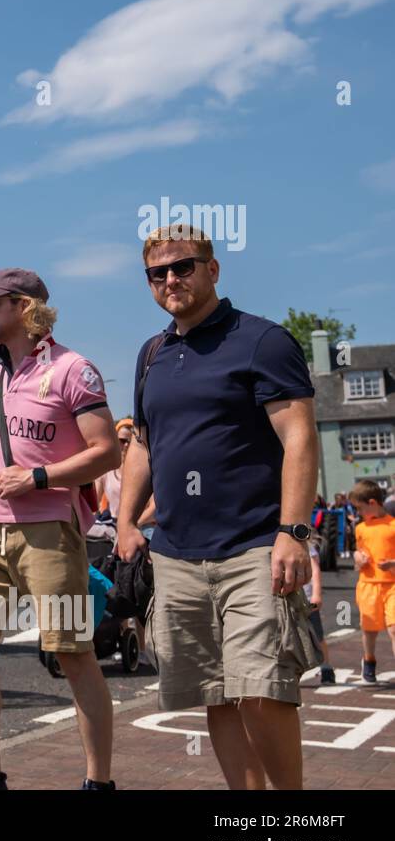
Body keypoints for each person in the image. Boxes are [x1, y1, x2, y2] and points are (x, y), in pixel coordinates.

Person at [117, 224, 320, 791]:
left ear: (213, 269)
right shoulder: (152, 352)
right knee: (216, 695)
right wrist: (129, 521)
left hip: (255, 545)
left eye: (183, 266)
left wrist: (293, 532)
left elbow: (300, 437)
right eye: (158, 273)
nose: (171, 280)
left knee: (261, 689)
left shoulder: (262, 340)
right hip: (177, 554)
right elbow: (144, 443)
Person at [0, 268, 120, 791]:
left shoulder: (75, 370)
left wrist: (40, 477)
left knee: (70, 653)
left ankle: (98, 783)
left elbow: (107, 452)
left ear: (23, 307)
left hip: (49, 531)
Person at [350, 479, 395, 684]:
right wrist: (358, 558)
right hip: (368, 584)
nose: (358, 512)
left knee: (394, 628)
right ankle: (369, 660)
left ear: (372, 502)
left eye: (360, 508)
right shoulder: (361, 528)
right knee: (369, 630)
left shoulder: (393, 526)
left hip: (392, 584)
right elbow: (358, 553)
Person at [307, 532, 335, 685]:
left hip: (306, 600)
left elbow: (315, 570)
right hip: (286, 599)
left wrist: (316, 594)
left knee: (317, 636)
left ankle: (326, 667)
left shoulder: (306, 545)